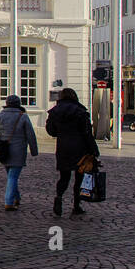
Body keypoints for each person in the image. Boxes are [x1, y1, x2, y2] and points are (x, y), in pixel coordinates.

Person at [45, 88, 99, 217]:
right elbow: (87, 134)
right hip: (80, 148)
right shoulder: (80, 111)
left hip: (63, 147)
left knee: (64, 177)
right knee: (79, 178)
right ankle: (76, 205)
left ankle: (59, 197)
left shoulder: (55, 112)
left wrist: (61, 133)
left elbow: (51, 131)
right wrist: (94, 150)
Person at [0, 95, 38, 211]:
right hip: (19, 151)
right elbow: (30, 135)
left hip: (4, 151)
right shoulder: (23, 116)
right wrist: (34, 151)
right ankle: (8, 202)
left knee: (11, 176)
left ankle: (16, 198)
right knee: (13, 177)